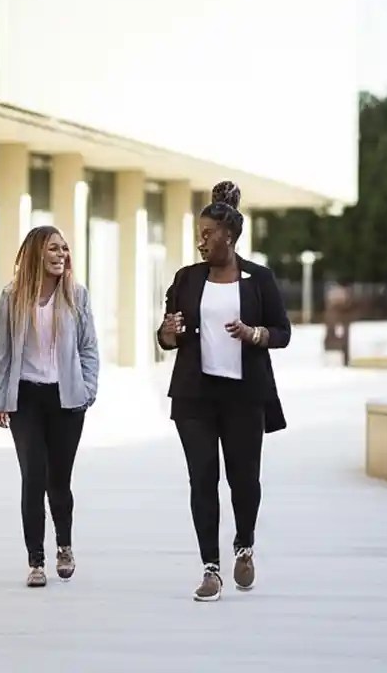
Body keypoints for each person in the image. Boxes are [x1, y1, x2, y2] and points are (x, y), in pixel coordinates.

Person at [157, 180, 292, 602]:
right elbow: (167, 334)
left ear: (229, 237)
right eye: (199, 234)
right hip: (194, 396)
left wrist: (254, 334)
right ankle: (210, 569)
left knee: (244, 480)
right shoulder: (186, 279)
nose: (201, 241)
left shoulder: (258, 279)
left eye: (208, 234)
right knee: (202, 480)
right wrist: (166, 333)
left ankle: (245, 546)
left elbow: (283, 333)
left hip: (244, 396)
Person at [0, 226, 99, 588]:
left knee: (59, 480)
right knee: (32, 477)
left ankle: (64, 546)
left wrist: (88, 390)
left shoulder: (77, 295)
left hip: (67, 397)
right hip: (26, 398)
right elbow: (4, 352)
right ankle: (35, 559)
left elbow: (89, 348)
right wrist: (0, 398)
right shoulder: (12, 296)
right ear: (37, 253)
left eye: (65, 249)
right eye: (54, 248)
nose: (61, 255)